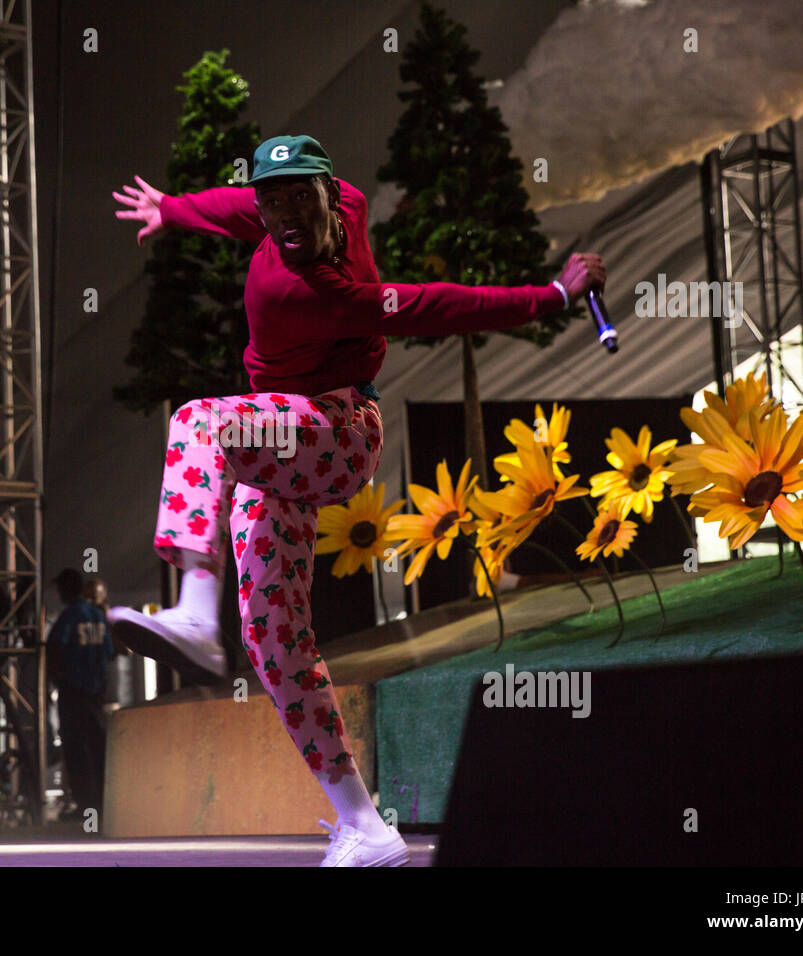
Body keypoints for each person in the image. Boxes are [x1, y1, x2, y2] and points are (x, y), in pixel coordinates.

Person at [112, 134, 607, 866]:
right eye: (270, 201)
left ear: (327, 193)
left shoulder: (317, 292)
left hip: (336, 431)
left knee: (198, 421)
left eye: (295, 201)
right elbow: (231, 208)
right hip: (278, 443)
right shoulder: (315, 207)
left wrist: (553, 296)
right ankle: (367, 827)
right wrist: (173, 209)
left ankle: (192, 610)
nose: (282, 218)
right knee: (274, 637)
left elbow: (441, 305)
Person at [46, 568, 114, 819]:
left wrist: (57, 678)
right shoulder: (97, 615)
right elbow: (109, 652)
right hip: (96, 692)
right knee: (97, 747)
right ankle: (102, 804)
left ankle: (85, 806)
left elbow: (55, 646)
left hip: (73, 691)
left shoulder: (69, 616)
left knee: (75, 749)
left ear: (65, 589)